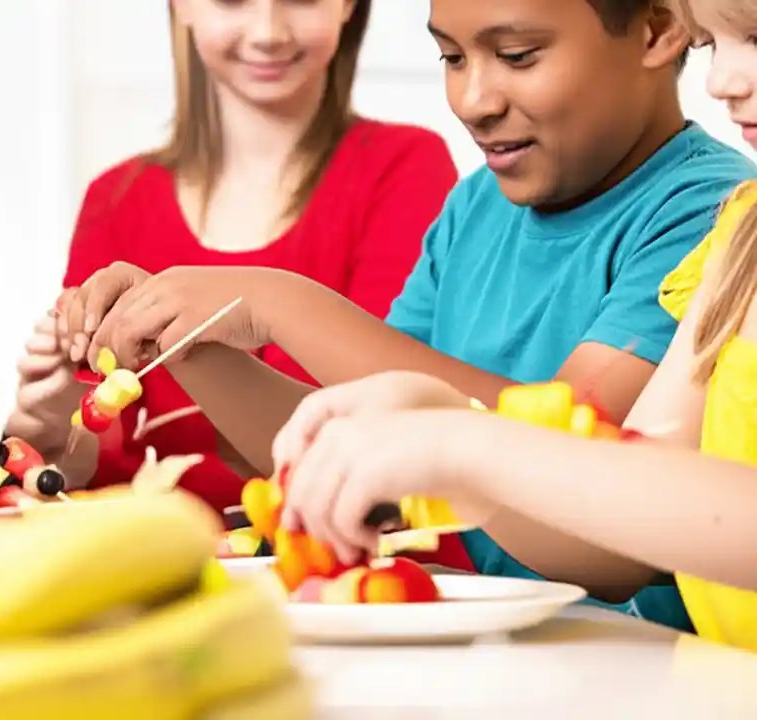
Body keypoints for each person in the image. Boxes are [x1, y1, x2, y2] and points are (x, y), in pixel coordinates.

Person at [57, 0, 757, 628]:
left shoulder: (702, 211)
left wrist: (281, 303)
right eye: (451, 57)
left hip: (636, 659)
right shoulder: (477, 208)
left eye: (517, 56)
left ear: (661, 28)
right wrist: (188, 338)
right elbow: (366, 444)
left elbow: (579, 458)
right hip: (509, 652)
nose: (473, 99)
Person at [269, 0, 757, 651]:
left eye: (754, 37)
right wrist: (444, 415)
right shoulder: (738, 241)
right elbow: (618, 541)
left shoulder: (695, 204)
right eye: (715, 44)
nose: (722, 79)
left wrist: (464, 444)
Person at [7, 0, 457, 517]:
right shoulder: (114, 199)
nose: (267, 32)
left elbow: (383, 438)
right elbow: (81, 467)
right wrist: (53, 423)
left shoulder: (404, 170)